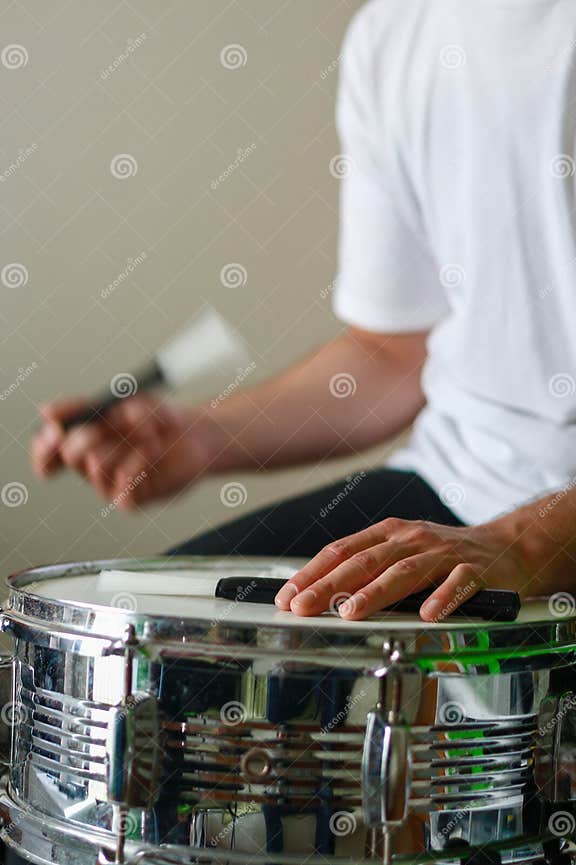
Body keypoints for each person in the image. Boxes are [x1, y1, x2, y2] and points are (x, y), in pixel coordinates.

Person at [31, 0, 576, 622]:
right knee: (148, 643)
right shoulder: (394, 35)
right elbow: (393, 353)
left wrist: (530, 540)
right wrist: (200, 438)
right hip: (455, 486)